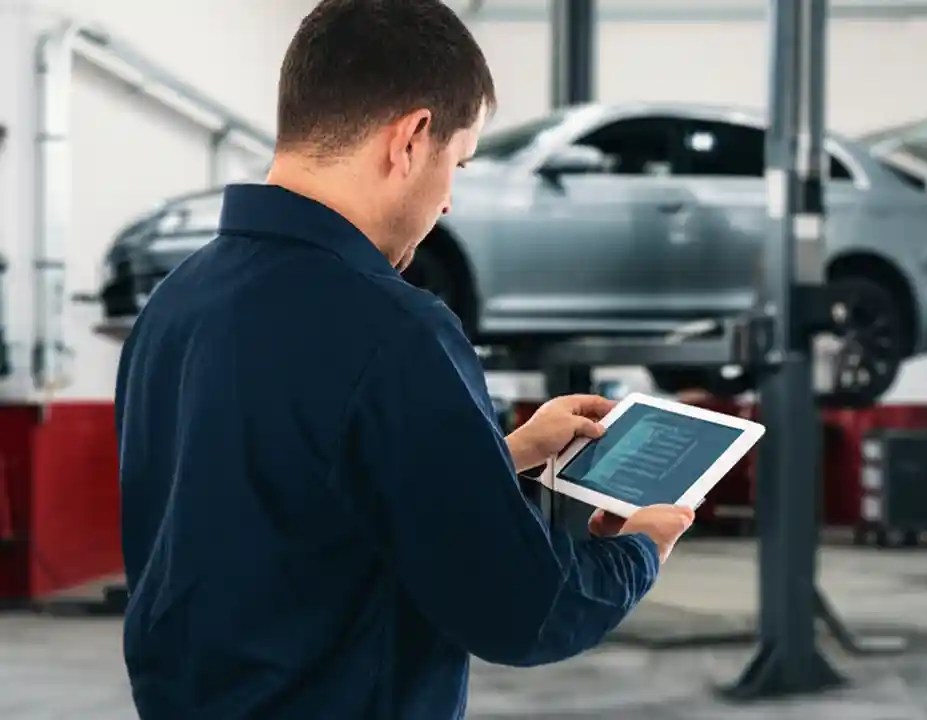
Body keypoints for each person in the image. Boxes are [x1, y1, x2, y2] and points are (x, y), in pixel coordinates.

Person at [114, 1, 696, 717]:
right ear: (412, 139)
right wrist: (641, 550)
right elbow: (520, 609)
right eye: (459, 161)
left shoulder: (178, 303)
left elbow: (283, 501)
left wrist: (500, 453)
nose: (449, 199)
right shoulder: (394, 328)